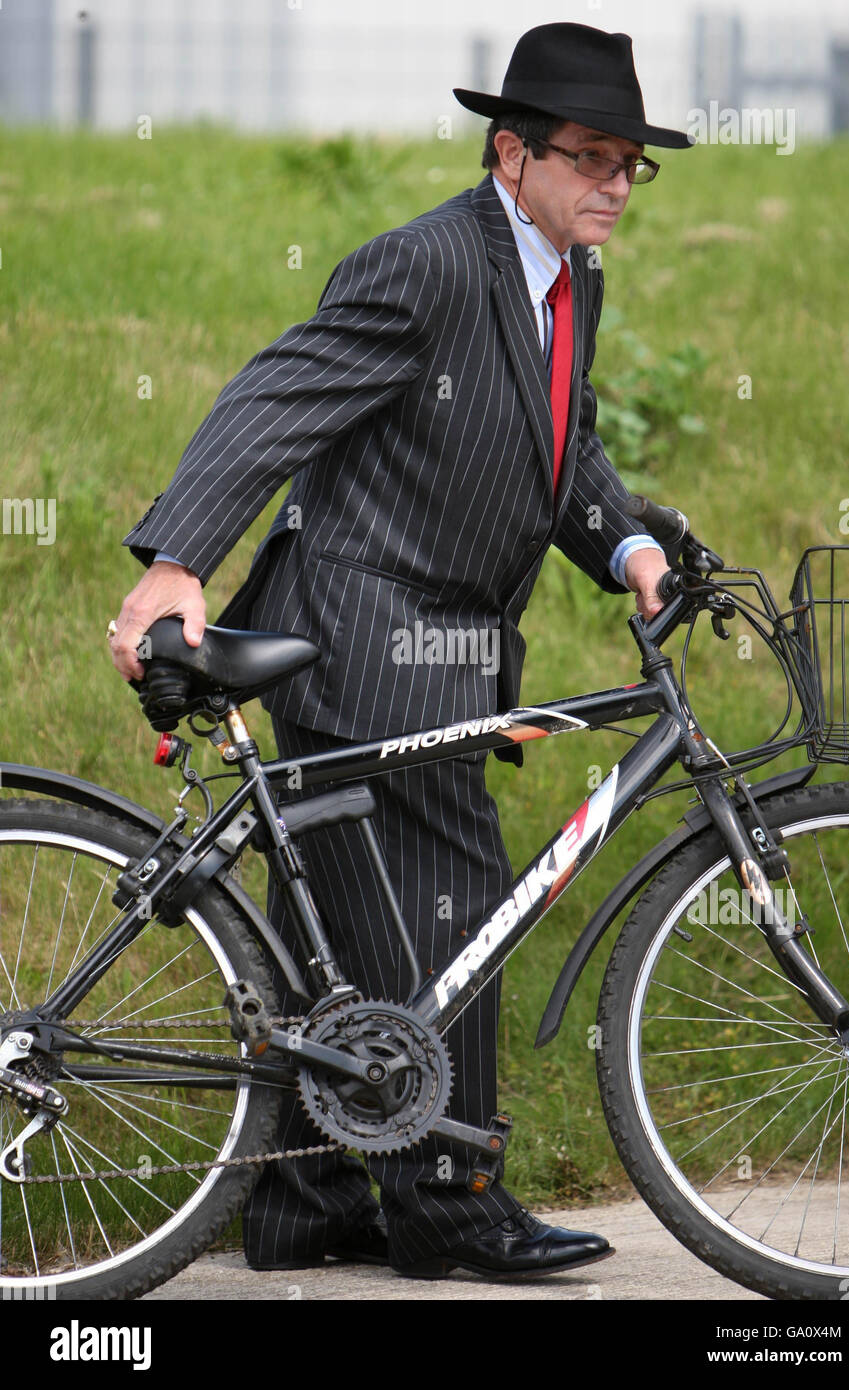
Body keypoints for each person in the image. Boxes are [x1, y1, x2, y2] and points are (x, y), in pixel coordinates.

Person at [109, 22, 693, 1280]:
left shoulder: (569, 277)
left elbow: (561, 445)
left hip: (446, 644)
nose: (611, 183)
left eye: (628, 163)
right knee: (452, 918)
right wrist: (175, 561)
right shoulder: (425, 264)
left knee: (350, 946)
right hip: (366, 636)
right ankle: (454, 1212)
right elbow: (276, 396)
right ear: (511, 151)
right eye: (587, 155)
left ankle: (308, 1207)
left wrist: (629, 547)